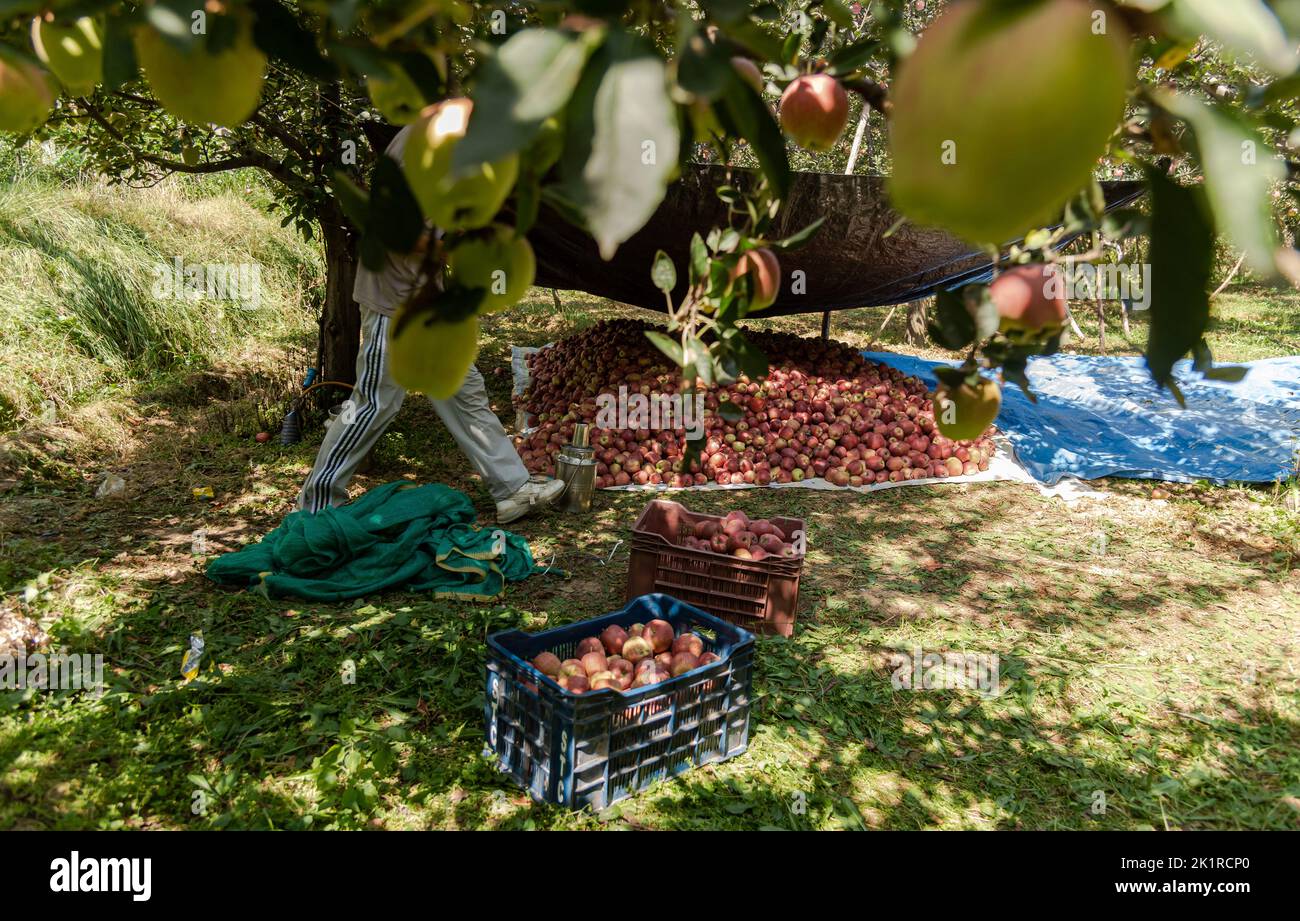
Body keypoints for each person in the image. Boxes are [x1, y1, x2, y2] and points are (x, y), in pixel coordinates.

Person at [297, 125, 564, 523]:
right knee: (375, 402)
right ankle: (317, 504)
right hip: (394, 300)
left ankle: (512, 489)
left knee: (465, 391)